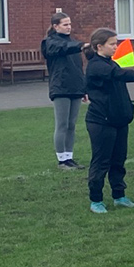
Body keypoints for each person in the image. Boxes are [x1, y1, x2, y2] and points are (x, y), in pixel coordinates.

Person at [83, 28, 134, 213]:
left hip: (118, 120)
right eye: (112, 44)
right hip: (101, 121)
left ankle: (119, 196)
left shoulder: (110, 63)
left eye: (116, 43)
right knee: (101, 161)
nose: (116, 47)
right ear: (99, 46)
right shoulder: (96, 66)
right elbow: (120, 75)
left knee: (118, 160)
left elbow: (117, 74)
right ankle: (96, 200)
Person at [42, 12, 88, 170]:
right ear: (56, 26)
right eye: (65, 24)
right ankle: (61, 161)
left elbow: (78, 68)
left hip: (75, 88)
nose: (69, 27)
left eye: (69, 24)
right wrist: (81, 46)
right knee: (61, 124)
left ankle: (69, 158)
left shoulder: (73, 42)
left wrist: (84, 88)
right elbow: (62, 48)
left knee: (71, 125)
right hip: (60, 88)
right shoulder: (49, 42)